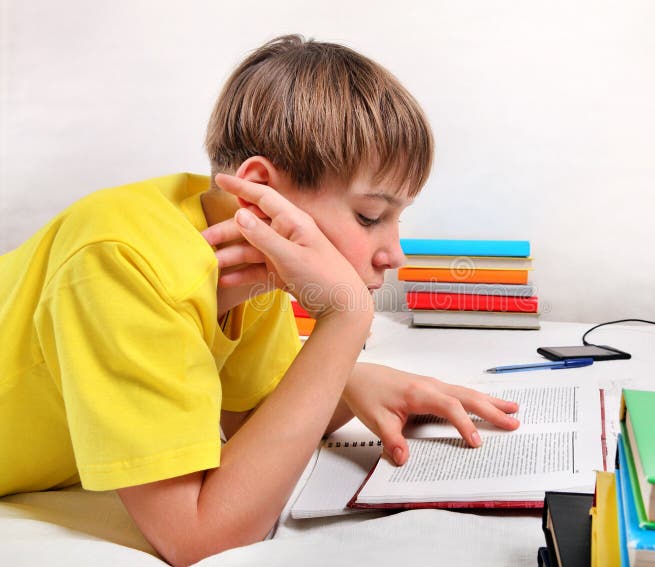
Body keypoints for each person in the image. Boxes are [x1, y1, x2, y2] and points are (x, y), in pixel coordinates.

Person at [0, 35, 520, 566]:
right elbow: (200, 538)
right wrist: (345, 319)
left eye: (395, 218)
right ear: (258, 194)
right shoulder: (121, 266)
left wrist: (354, 379)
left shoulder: (250, 255)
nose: (394, 255)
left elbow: (251, 419)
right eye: (369, 216)